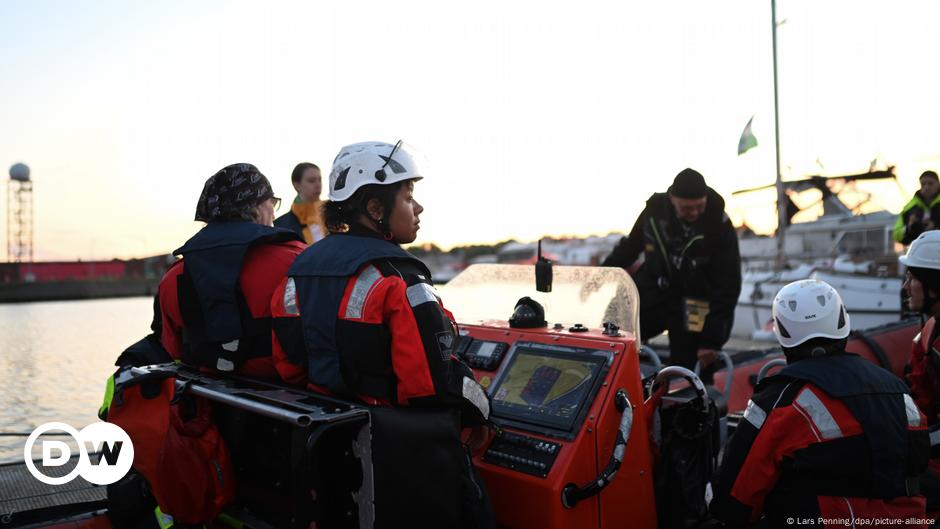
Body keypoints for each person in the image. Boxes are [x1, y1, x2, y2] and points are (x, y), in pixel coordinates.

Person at [270, 141, 494, 529]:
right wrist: (485, 408)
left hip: (326, 461)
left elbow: (288, 369)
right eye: (408, 196)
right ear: (375, 209)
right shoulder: (398, 278)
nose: (418, 207)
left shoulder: (297, 272)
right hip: (398, 465)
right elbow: (429, 385)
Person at [711, 279, 929, 528]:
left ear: (781, 331)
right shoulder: (896, 389)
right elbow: (920, 456)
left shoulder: (781, 399)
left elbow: (736, 498)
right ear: (842, 323)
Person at [157, 163, 306, 379]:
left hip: (210, 401)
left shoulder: (174, 277)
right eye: (272, 202)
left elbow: (172, 350)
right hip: (290, 400)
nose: (274, 211)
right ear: (256, 208)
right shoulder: (297, 260)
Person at [602, 168, 741, 381]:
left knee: (688, 368)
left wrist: (711, 341)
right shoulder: (654, 212)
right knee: (613, 329)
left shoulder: (719, 224)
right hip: (655, 292)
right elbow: (630, 247)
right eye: (687, 208)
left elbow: (728, 285)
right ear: (672, 199)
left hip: (695, 303)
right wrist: (603, 274)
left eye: (699, 207)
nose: (694, 212)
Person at [274, 162, 326, 243]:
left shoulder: (334, 215)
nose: (318, 184)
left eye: (320, 179)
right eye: (311, 181)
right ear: (296, 185)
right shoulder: (280, 227)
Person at [894, 170, 940, 245]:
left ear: (938, 184)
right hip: (919, 251)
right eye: (923, 184)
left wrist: (936, 227)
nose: (926, 187)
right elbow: (896, 234)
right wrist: (909, 227)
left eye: (930, 183)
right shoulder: (909, 208)